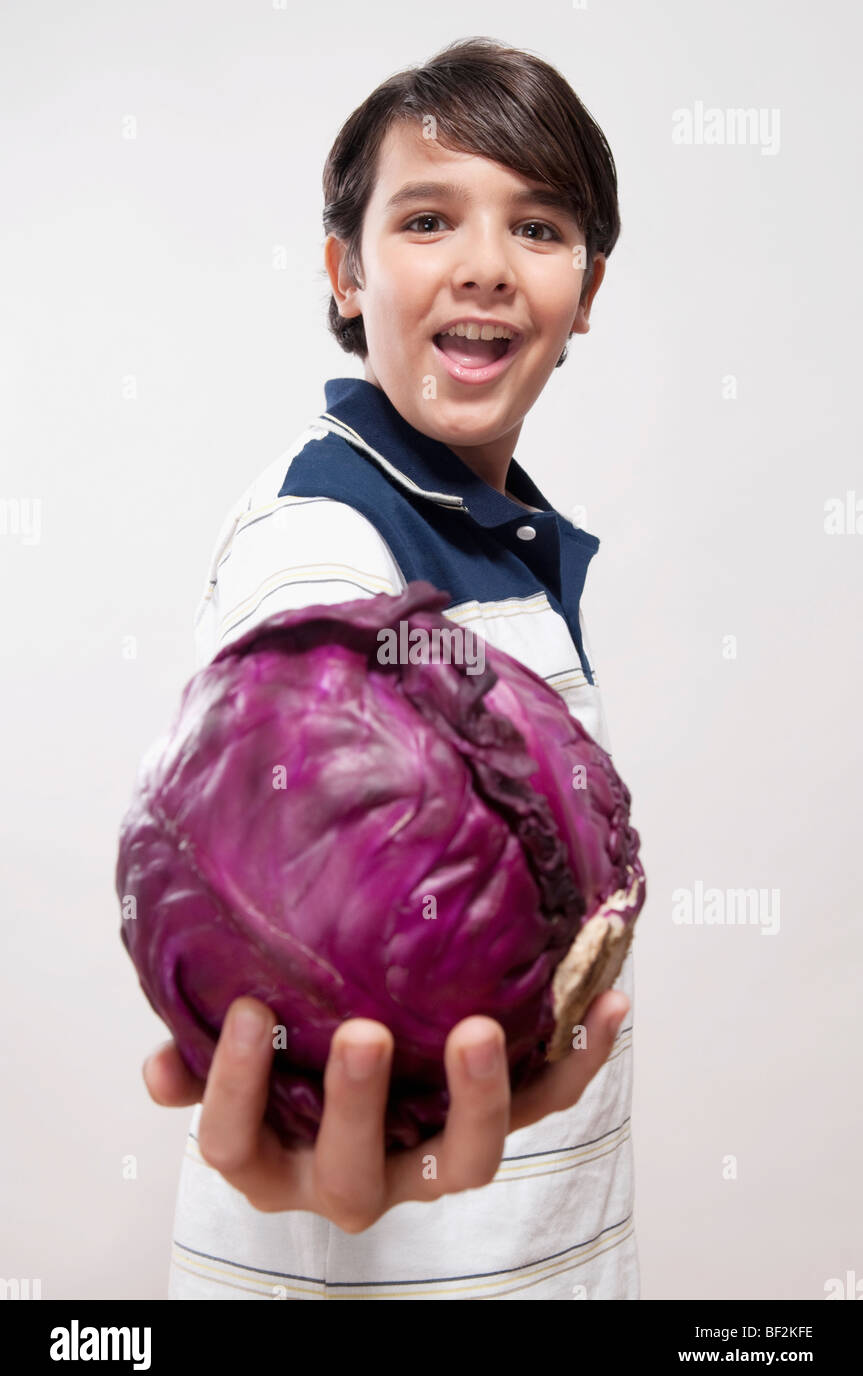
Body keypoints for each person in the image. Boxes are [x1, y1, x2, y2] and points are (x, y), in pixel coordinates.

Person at [143, 36, 638, 1300]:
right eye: (427, 218)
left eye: (537, 226)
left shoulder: (500, 544)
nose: (482, 262)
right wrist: (301, 1157)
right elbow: (271, 859)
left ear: (584, 290)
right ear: (346, 273)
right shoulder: (323, 539)